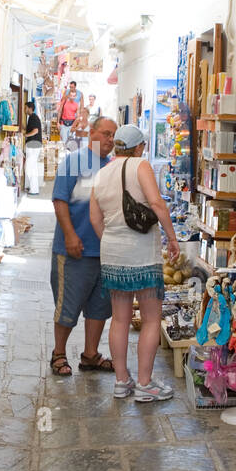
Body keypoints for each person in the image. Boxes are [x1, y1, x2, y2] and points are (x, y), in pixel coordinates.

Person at [89, 124, 179, 402]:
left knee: (119, 319)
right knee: (151, 319)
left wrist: (113, 242)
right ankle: (144, 384)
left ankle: (121, 381)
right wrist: (172, 239)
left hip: (113, 254)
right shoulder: (141, 166)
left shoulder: (102, 173)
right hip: (142, 254)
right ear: (140, 146)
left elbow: (95, 218)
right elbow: (158, 204)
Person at [48, 117, 117, 376]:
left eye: (114, 136)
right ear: (92, 133)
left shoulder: (111, 166)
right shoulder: (73, 161)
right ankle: (58, 353)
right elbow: (59, 200)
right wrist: (69, 235)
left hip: (105, 251)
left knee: (100, 308)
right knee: (68, 305)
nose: (110, 140)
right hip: (75, 249)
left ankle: (90, 355)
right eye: (106, 134)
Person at [23, 99, 44, 195]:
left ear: (30, 108)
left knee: (29, 167)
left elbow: (35, 131)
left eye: (25, 107)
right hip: (34, 145)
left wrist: (26, 135)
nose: (24, 109)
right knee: (32, 167)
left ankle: (34, 189)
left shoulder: (33, 117)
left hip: (33, 145)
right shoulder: (32, 118)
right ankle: (33, 188)